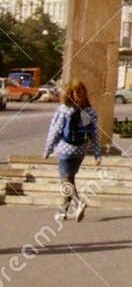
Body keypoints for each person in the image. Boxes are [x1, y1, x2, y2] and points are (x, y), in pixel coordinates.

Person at [42, 82, 102, 222]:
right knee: (70, 179)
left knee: (65, 181)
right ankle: (62, 211)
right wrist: (97, 154)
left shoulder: (64, 110)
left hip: (65, 149)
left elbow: (55, 131)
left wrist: (47, 150)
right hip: (80, 150)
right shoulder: (89, 112)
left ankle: (78, 202)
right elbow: (93, 134)